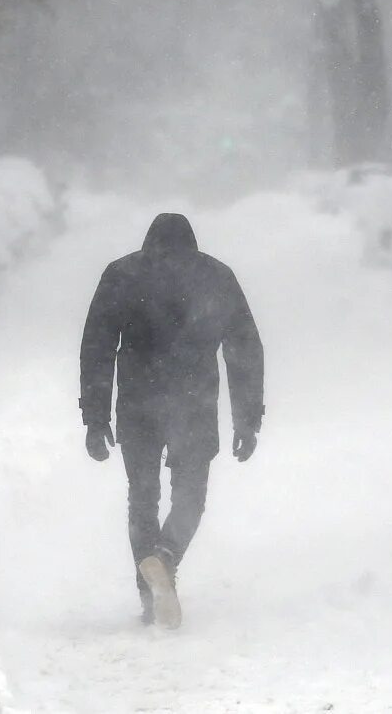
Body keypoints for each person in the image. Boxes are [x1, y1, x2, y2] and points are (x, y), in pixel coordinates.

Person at [79, 213, 264, 629]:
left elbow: (98, 347)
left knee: (142, 498)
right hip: (194, 402)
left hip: (138, 402)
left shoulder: (122, 275)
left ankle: (149, 595)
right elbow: (244, 349)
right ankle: (166, 556)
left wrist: (95, 417)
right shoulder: (216, 277)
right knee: (190, 497)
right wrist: (247, 419)